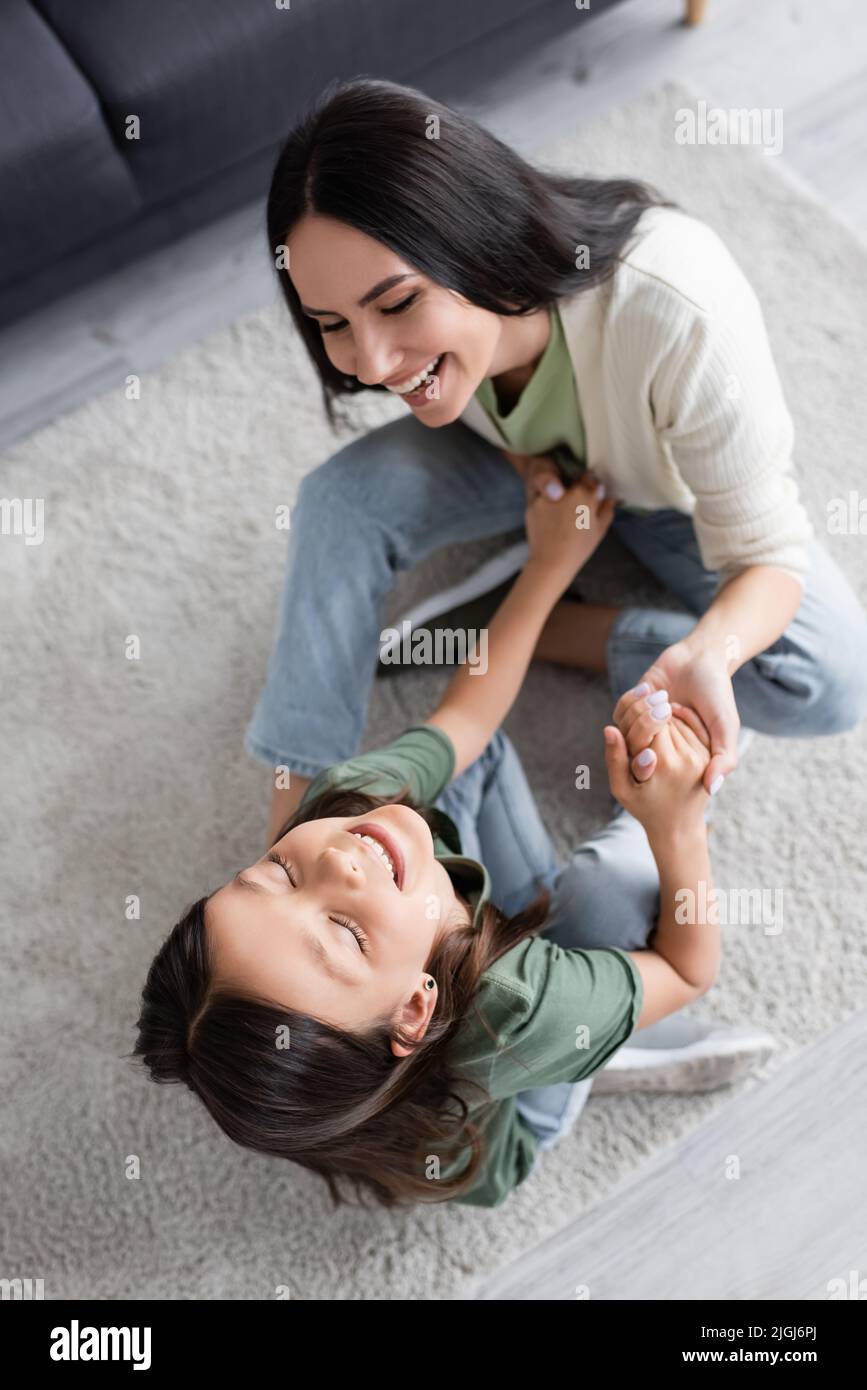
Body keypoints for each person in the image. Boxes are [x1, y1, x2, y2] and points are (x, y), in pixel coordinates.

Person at [244, 75, 867, 850]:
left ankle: (526, 622)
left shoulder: (678, 312)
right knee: (338, 504)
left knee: (831, 681)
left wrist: (706, 652)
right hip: (535, 465)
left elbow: (767, 556)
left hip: (664, 499)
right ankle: (293, 832)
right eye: (331, 322)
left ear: (473, 240)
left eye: (397, 304)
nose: (371, 363)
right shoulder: (437, 350)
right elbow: (427, 384)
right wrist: (528, 468)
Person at [132, 478, 769, 1210]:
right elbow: (687, 970)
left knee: (474, 761)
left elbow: (465, 723)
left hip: (436, 966)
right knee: (612, 885)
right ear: (415, 1009)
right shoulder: (518, 1012)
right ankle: (594, 1057)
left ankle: (532, 951)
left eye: (275, 871)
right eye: (342, 932)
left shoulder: (343, 808)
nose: (335, 860)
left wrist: (550, 563)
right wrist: (676, 823)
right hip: (507, 1101)